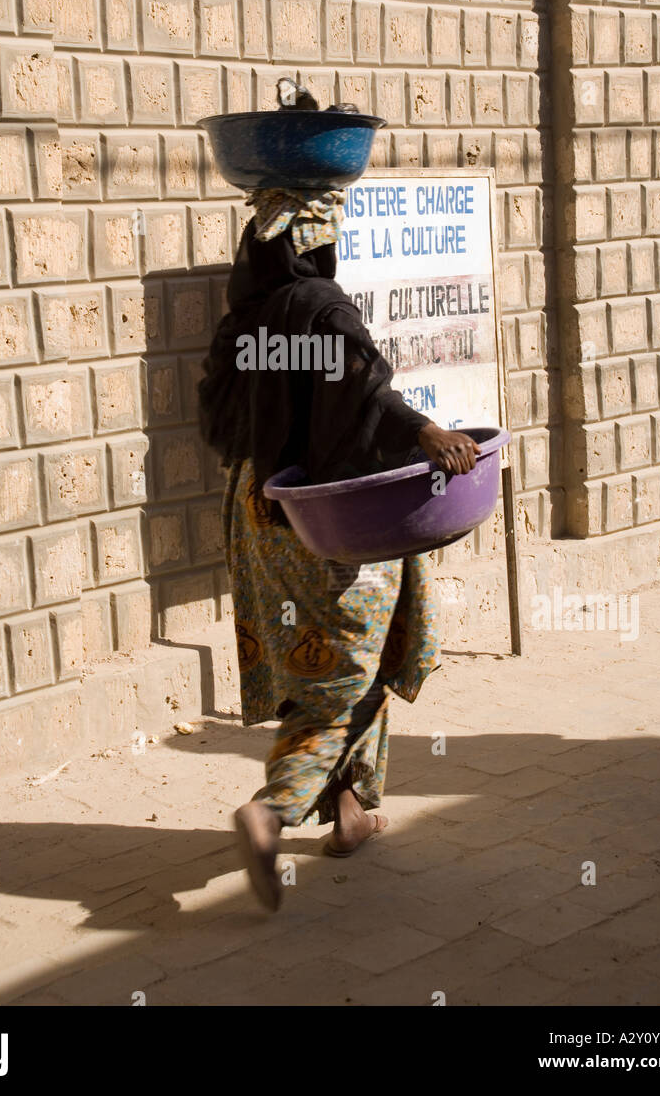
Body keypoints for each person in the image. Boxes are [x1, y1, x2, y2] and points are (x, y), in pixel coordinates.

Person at [198, 187, 479, 910]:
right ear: (315, 245)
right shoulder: (323, 305)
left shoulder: (245, 320)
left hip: (259, 509)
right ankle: (274, 808)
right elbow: (365, 393)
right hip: (332, 518)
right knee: (345, 672)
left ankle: (351, 808)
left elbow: (217, 417)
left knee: (349, 650)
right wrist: (427, 434)